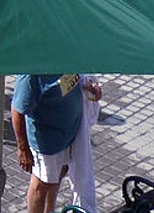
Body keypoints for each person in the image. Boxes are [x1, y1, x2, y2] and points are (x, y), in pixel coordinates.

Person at [12, 73, 102, 213]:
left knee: (59, 173)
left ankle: (49, 210)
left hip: (70, 135)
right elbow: (17, 110)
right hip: (47, 141)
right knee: (42, 184)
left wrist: (89, 88)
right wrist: (23, 149)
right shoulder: (31, 75)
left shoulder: (67, 60)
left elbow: (75, 80)